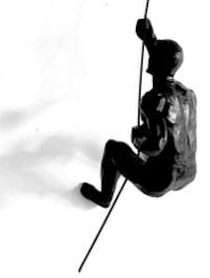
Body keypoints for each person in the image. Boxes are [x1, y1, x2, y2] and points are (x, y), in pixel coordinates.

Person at [81, 18, 197, 208]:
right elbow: (163, 78)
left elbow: (154, 144)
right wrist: (149, 38)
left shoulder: (153, 100)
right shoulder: (188, 94)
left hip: (159, 182)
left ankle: (104, 198)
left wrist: (137, 135)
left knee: (113, 149)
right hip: (188, 174)